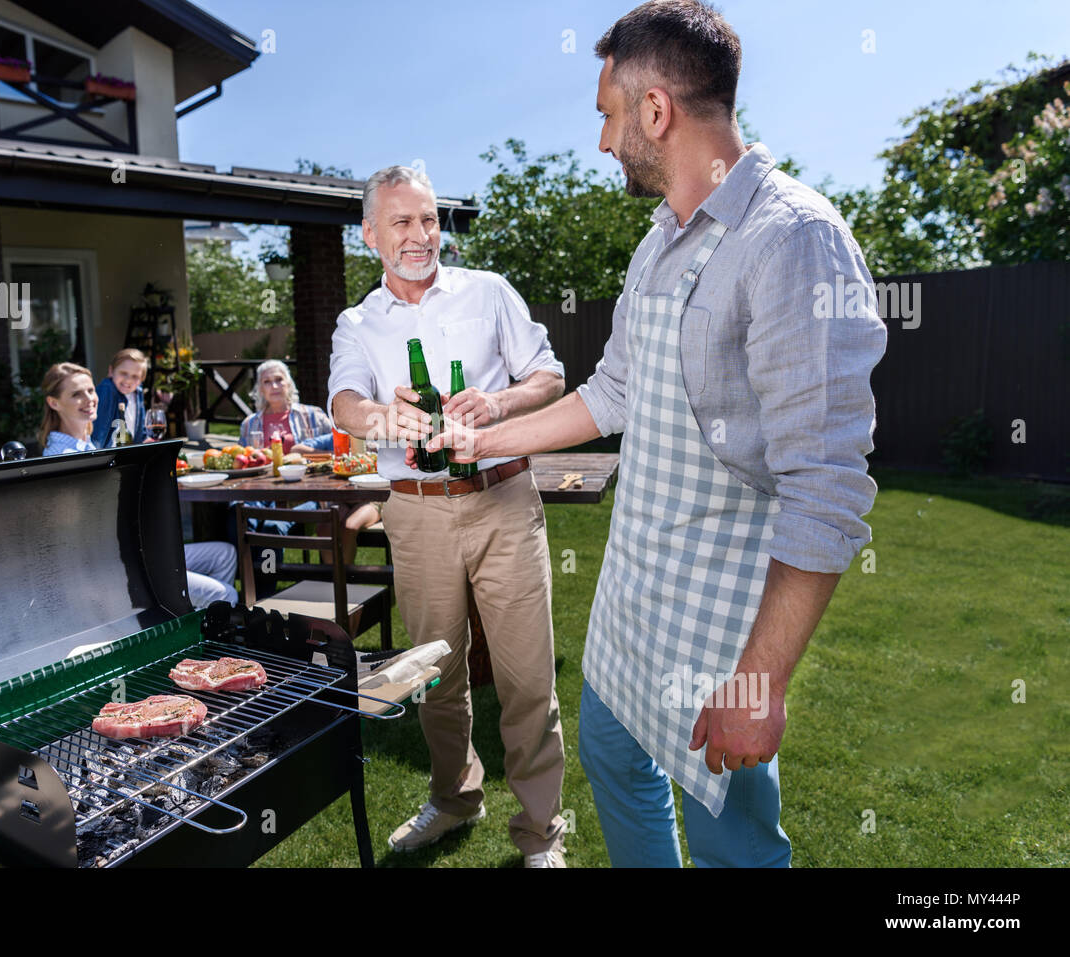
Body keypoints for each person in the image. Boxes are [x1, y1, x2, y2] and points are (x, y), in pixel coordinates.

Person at [423, 0, 887, 867]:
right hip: (637, 593)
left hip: (722, 617)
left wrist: (763, 679)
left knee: (730, 836)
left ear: (656, 110)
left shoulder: (795, 240)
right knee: (606, 744)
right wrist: (489, 441)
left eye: (607, 114)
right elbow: (613, 393)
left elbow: (824, 484)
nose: (603, 140)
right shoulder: (658, 243)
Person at [328, 165, 569, 867]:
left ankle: (541, 834)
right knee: (435, 672)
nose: (420, 234)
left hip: (502, 500)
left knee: (527, 678)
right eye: (401, 221)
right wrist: (381, 416)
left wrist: (496, 404)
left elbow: (549, 375)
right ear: (370, 234)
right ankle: (455, 796)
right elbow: (344, 402)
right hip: (416, 511)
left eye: (428, 218)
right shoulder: (358, 321)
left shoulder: (488, 292)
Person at [38, 362, 238, 609]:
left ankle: (189, 622)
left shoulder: (88, 447)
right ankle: (189, 622)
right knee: (226, 596)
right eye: (76, 394)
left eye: (90, 390)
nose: (89, 399)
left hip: (137, 552)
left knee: (224, 555)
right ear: (54, 403)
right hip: (116, 567)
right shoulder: (63, 457)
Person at [239, 359, 381, 564]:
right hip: (267, 489)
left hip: (309, 494)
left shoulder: (312, 415)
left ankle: (329, 582)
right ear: (259, 388)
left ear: (289, 383)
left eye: (279, 380)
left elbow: (336, 442)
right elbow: (244, 460)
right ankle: (257, 581)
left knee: (272, 527)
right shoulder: (249, 424)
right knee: (242, 522)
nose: (275, 386)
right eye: (267, 382)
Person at [92, 348, 149, 447]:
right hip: (108, 455)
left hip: (129, 453)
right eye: (123, 373)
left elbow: (140, 430)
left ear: (141, 379)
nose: (128, 380)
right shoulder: (107, 390)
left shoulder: (137, 392)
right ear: (111, 371)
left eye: (135, 376)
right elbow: (98, 434)